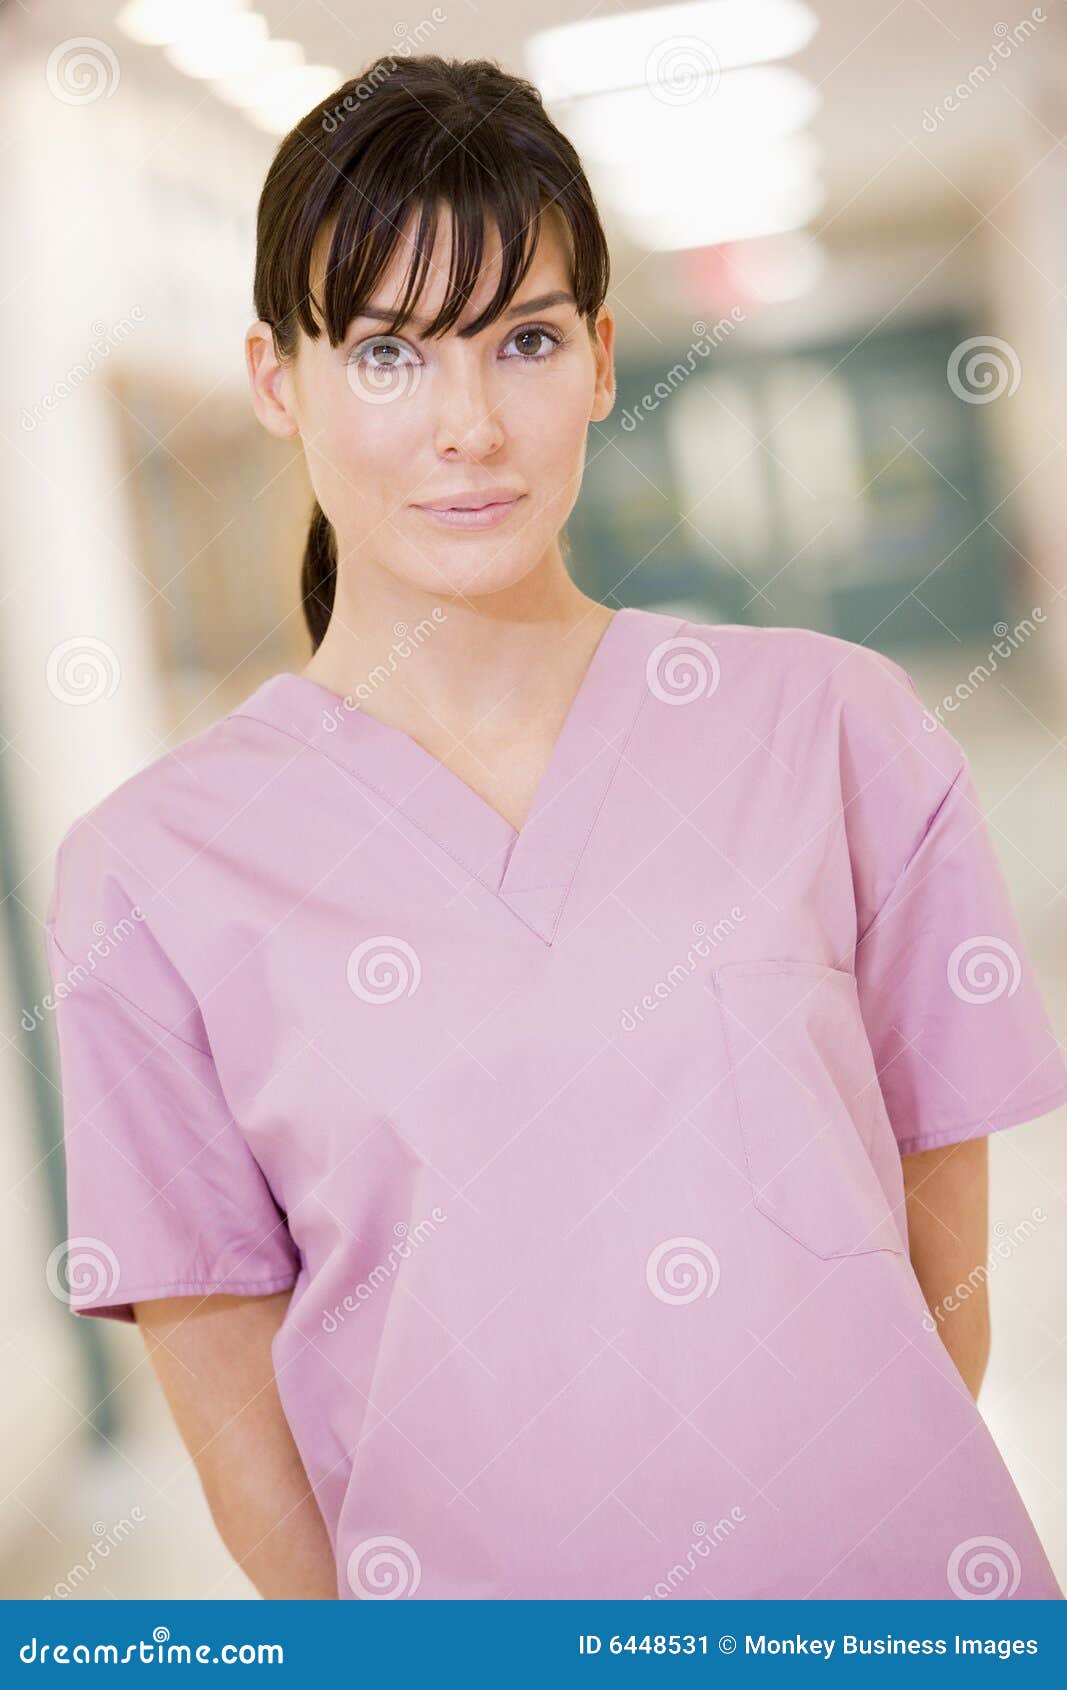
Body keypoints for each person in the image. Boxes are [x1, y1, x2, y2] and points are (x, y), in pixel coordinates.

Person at [44, 54, 1067, 1602]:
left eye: (521, 339)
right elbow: (239, 1417)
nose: (469, 425)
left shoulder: (840, 732)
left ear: (599, 358)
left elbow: (948, 1284)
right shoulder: (154, 873)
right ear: (276, 378)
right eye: (387, 352)